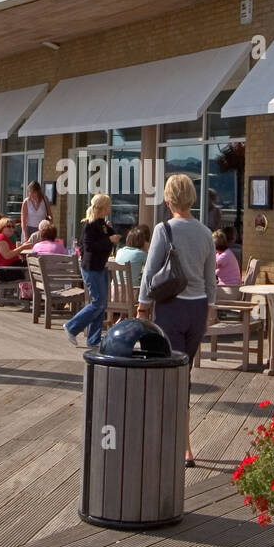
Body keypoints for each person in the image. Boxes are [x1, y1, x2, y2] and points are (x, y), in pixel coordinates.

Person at [137, 174, 216, 467]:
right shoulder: (206, 233)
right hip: (196, 310)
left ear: (168, 200)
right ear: (192, 198)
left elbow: (149, 272)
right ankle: (181, 444)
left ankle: (179, 445)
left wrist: (143, 307)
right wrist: (209, 312)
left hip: (170, 308)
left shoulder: (163, 229)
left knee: (169, 376)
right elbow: (211, 281)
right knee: (183, 374)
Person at [65, 194, 119, 348]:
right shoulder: (90, 225)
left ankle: (94, 339)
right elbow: (89, 247)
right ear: (103, 207)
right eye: (108, 205)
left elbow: (110, 236)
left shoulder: (101, 224)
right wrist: (108, 240)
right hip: (91, 267)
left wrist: (110, 233)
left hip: (100, 266)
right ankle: (72, 326)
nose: (110, 208)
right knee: (97, 302)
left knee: (102, 303)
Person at [0, 216, 35, 281]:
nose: (11, 228)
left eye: (13, 227)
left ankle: (29, 289)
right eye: (8, 226)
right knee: (35, 266)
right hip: (7, 271)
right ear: (1, 227)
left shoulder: (3, 238)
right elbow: (7, 255)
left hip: (10, 268)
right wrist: (22, 247)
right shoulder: (0, 238)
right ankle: (30, 289)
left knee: (33, 264)